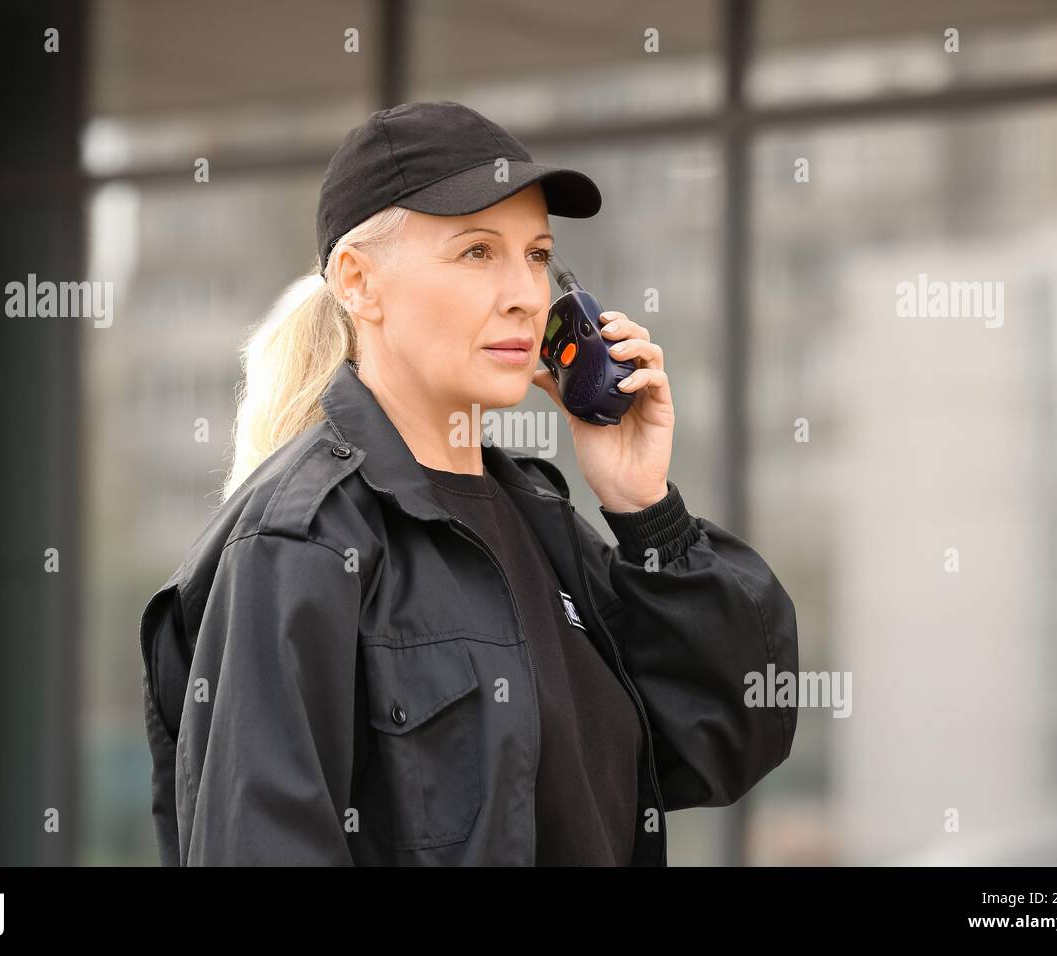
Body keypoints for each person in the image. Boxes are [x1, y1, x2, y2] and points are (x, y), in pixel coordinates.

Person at [139, 100, 798, 866]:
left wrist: (645, 510)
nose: (525, 291)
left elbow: (729, 734)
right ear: (360, 282)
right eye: (478, 253)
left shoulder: (540, 521)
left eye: (538, 254)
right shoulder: (301, 542)